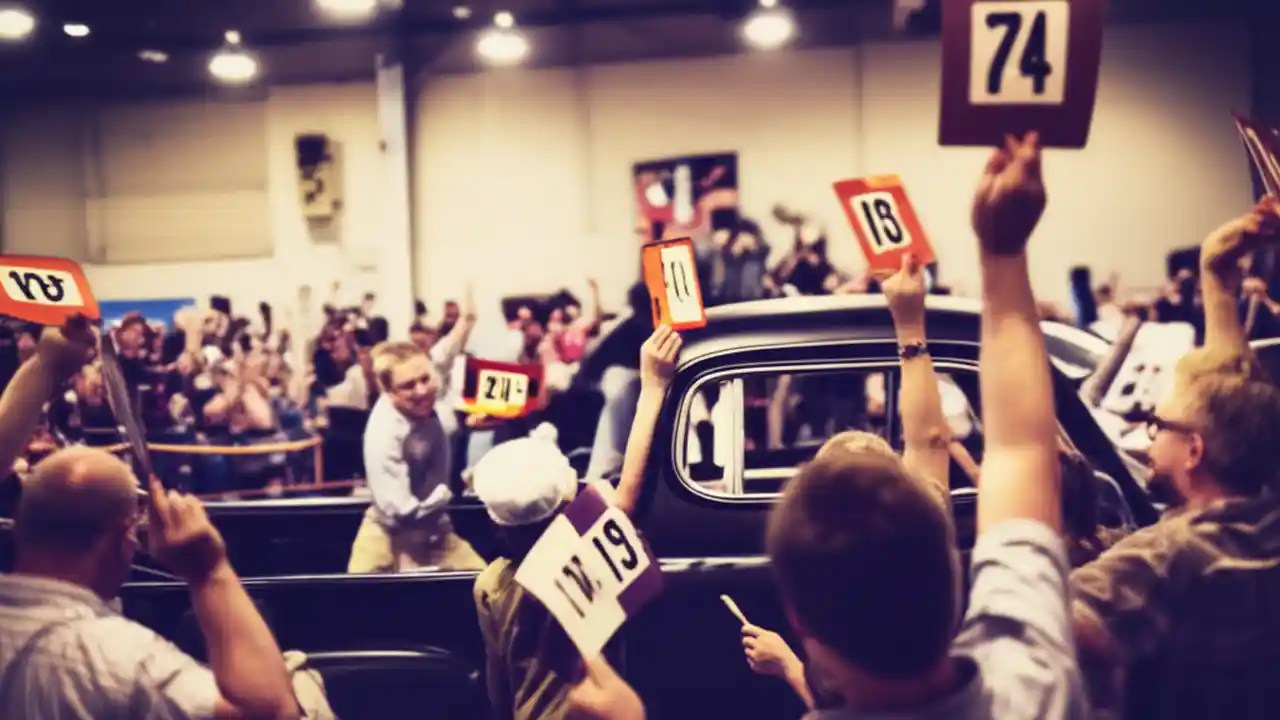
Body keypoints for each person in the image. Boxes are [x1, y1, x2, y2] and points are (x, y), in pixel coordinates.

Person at [567, 132, 1088, 720]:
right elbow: (1014, 447)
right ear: (950, 567)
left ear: (802, 624)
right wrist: (1000, 252)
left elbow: (1005, 448)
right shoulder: (1033, 679)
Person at [0, 320, 300, 719]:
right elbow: (270, 711)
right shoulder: (121, 659)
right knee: (300, 678)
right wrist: (210, 571)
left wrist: (44, 365)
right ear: (126, 538)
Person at [1070, 198, 1280, 718]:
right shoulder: (1267, 524)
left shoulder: (1161, 563)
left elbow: (1026, 624)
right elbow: (1236, 397)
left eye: (1156, 425)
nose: (1145, 438)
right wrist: (1217, 279)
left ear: (1194, 450)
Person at [741, 251, 957, 710]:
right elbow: (930, 441)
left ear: (805, 622)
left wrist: (786, 665)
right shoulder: (928, 528)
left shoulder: (831, 615)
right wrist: (910, 325)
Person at [470, 326, 680, 720]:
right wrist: (652, 387)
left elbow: (497, 684)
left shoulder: (491, 585)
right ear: (568, 501)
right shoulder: (584, 554)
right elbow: (627, 494)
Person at [347, 315, 484, 572]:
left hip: (436, 527)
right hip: (391, 530)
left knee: (482, 583)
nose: (422, 391)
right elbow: (400, 511)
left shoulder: (428, 375)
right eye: (409, 386)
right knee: (361, 598)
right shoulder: (384, 433)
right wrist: (443, 496)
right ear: (389, 392)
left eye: (425, 379)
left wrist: (465, 322)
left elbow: (444, 354)